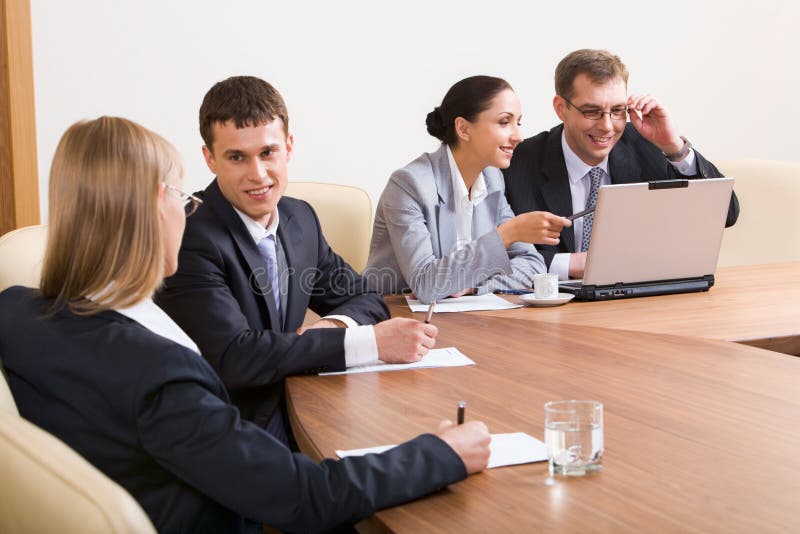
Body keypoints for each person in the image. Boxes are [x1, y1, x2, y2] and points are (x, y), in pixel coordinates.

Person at [0, 116, 491, 533]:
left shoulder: (14, 311)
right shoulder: (158, 375)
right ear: (156, 204)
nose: (189, 208)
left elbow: (357, 293)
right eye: (180, 195)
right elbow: (305, 497)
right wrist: (440, 453)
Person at [155, 77, 437, 444]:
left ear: (288, 147)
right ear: (209, 159)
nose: (257, 174)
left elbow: (365, 298)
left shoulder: (299, 218)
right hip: (231, 428)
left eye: (268, 152)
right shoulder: (190, 234)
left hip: (309, 401)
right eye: (237, 157)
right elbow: (235, 357)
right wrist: (368, 343)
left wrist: (333, 328)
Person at [503, 49, 740, 280]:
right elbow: (492, 250)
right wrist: (571, 264)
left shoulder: (648, 144)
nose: (607, 126)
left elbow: (726, 214)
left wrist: (674, 148)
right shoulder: (518, 162)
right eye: (592, 112)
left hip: (643, 301)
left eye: (618, 111)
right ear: (561, 108)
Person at [365, 75, 567, 304]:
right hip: (392, 314)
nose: (518, 136)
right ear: (463, 128)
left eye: (518, 123)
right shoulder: (408, 185)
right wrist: (507, 234)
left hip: (464, 316)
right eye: (504, 122)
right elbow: (425, 284)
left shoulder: (493, 180)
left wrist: (473, 285)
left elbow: (532, 267)